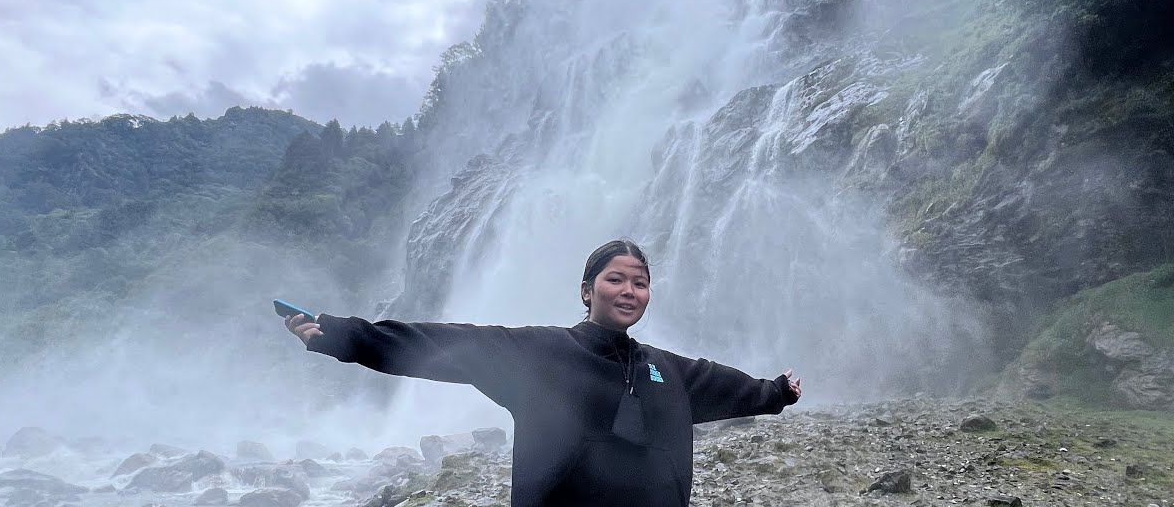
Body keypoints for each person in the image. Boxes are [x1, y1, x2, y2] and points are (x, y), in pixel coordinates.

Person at [286, 238, 802, 506]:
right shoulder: (536, 354)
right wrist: (341, 336)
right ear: (586, 291)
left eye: (640, 283)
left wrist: (777, 392)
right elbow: (440, 343)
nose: (629, 290)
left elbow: (733, 387)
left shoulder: (668, 370)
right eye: (615, 279)